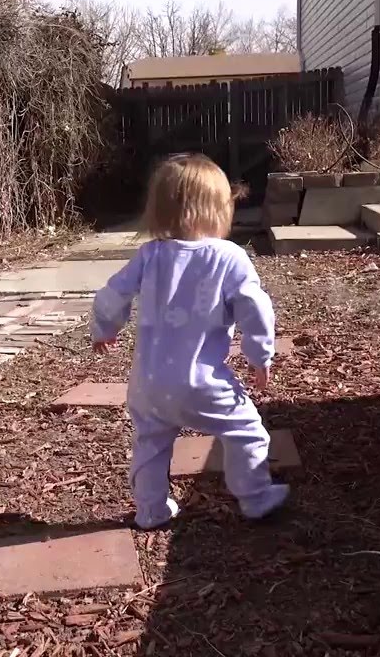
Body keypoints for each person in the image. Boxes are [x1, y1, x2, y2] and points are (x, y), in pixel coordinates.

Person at [90, 153, 288, 530]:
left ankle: (151, 511)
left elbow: (112, 294)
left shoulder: (149, 255)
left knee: (150, 446)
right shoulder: (229, 257)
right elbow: (254, 307)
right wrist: (259, 353)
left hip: (147, 384)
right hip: (200, 382)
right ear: (217, 209)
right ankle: (256, 497)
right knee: (246, 431)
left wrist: (104, 328)